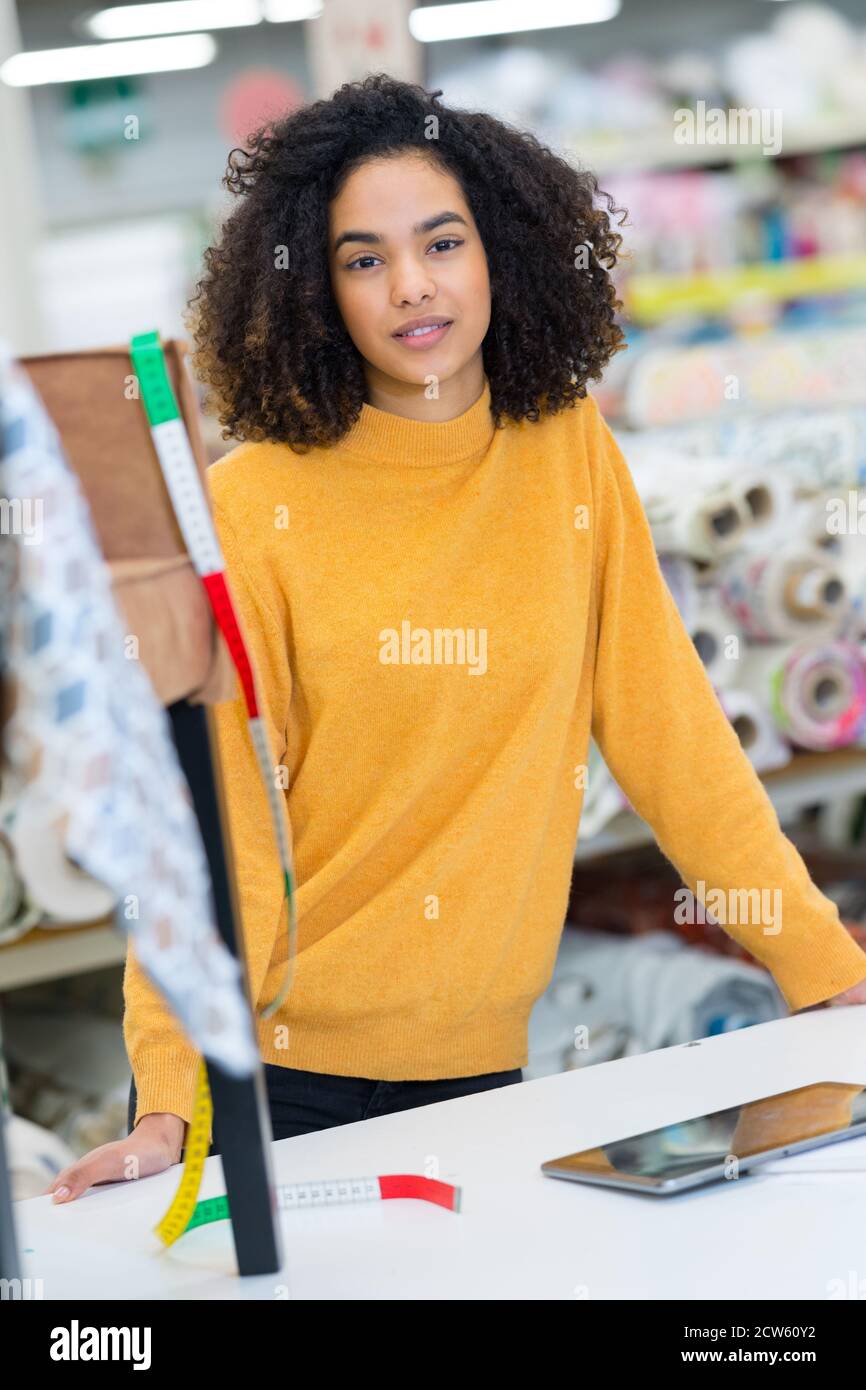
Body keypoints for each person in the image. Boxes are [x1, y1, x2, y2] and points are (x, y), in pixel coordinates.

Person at [50, 74, 866, 1204]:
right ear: (315, 289)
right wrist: (169, 1105)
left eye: (442, 242)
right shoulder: (251, 511)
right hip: (283, 1085)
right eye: (363, 259)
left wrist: (822, 969)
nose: (412, 286)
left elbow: (673, 735)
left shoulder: (568, 452)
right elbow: (211, 830)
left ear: (502, 252)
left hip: (484, 1075)